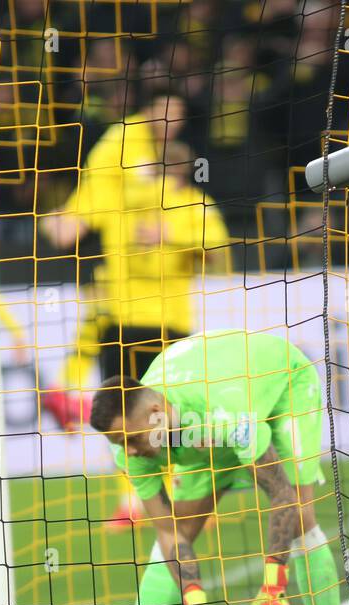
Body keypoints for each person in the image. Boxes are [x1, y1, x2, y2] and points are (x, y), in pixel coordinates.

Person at [58, 329, 349, 605]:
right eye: (120, 444)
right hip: (200, 429)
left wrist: (273, 589)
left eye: (131, 439)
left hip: (283, 392)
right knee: (180, 529)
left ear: (156, 414)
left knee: (302, 517)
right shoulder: (134, 443)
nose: (128, 452)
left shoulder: (227, 411)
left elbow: (282, 497)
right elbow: (168, 535)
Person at [41, 98, 232, 524]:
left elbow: (217, 250)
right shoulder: (129, 197)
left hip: (162, 322)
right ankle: (134, 497)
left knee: (156, 410)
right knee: (133, 412)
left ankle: (171, 490)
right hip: (132, 322)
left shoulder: (182, 206)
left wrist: (171, 234)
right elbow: (79, 212)